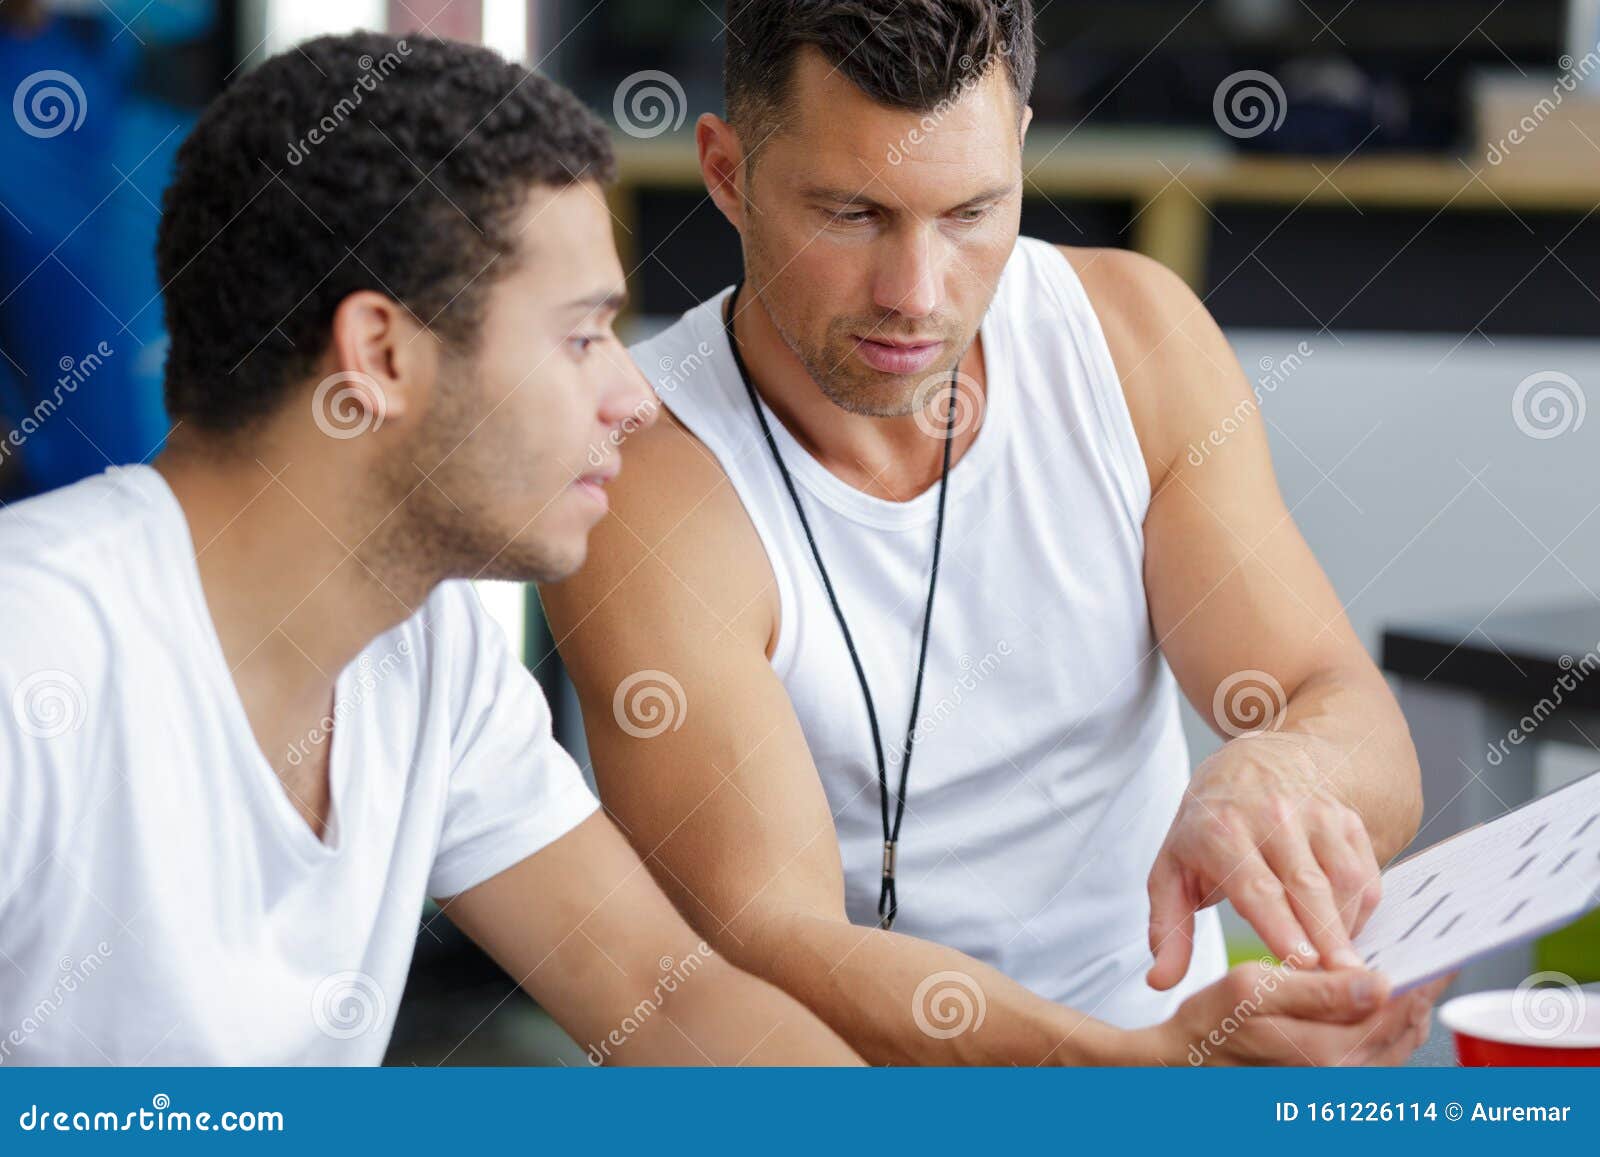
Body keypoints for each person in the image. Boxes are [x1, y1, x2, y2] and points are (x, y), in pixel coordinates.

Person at [540, 0, 1449, 1065]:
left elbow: (1349, 716)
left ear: (1018, 149)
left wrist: (1283, 771)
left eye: (970, 212)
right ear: (728, 173)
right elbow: (770, 938)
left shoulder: (1132, 336)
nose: (915, 296)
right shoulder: (637, 467)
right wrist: (1135, 1067)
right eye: (852, 214)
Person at [0, 32, 859, 1067]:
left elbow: (664, 998)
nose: (633, 397)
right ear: (380, 354)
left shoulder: (429, 648)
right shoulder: (29, 654)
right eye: (581, 336)